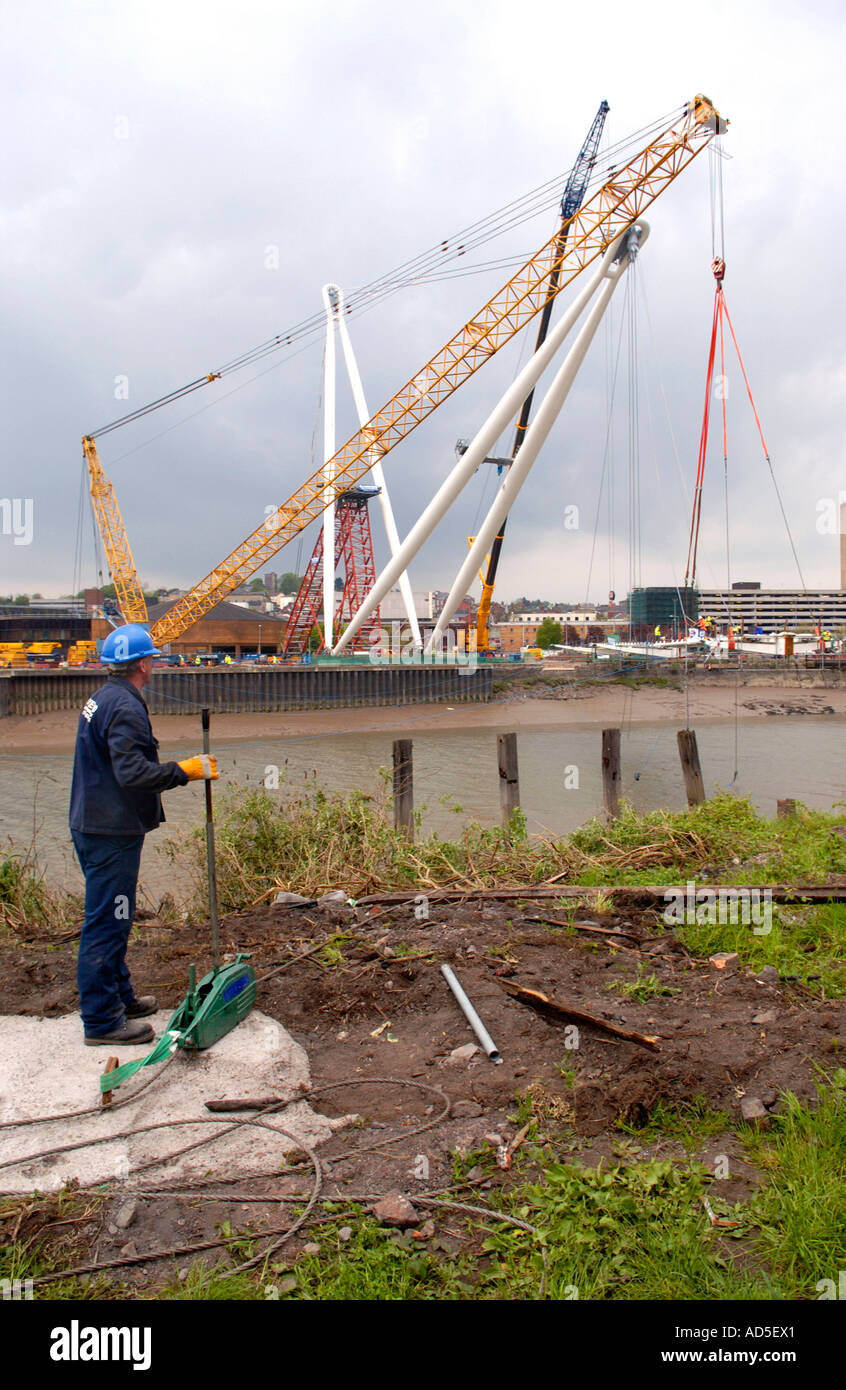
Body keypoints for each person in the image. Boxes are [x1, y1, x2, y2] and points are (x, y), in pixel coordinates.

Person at [69, 624, 219, 1046]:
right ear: (142, 663)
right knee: (108, 920)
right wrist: (185, 771)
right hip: (109, 832)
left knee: (116, 915)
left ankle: (121, 997)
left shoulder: (103, 698)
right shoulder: (126, 708)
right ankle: (101, 1021)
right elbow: (133, 773)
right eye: (151, 657)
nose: (154, 663)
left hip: (93, 822)